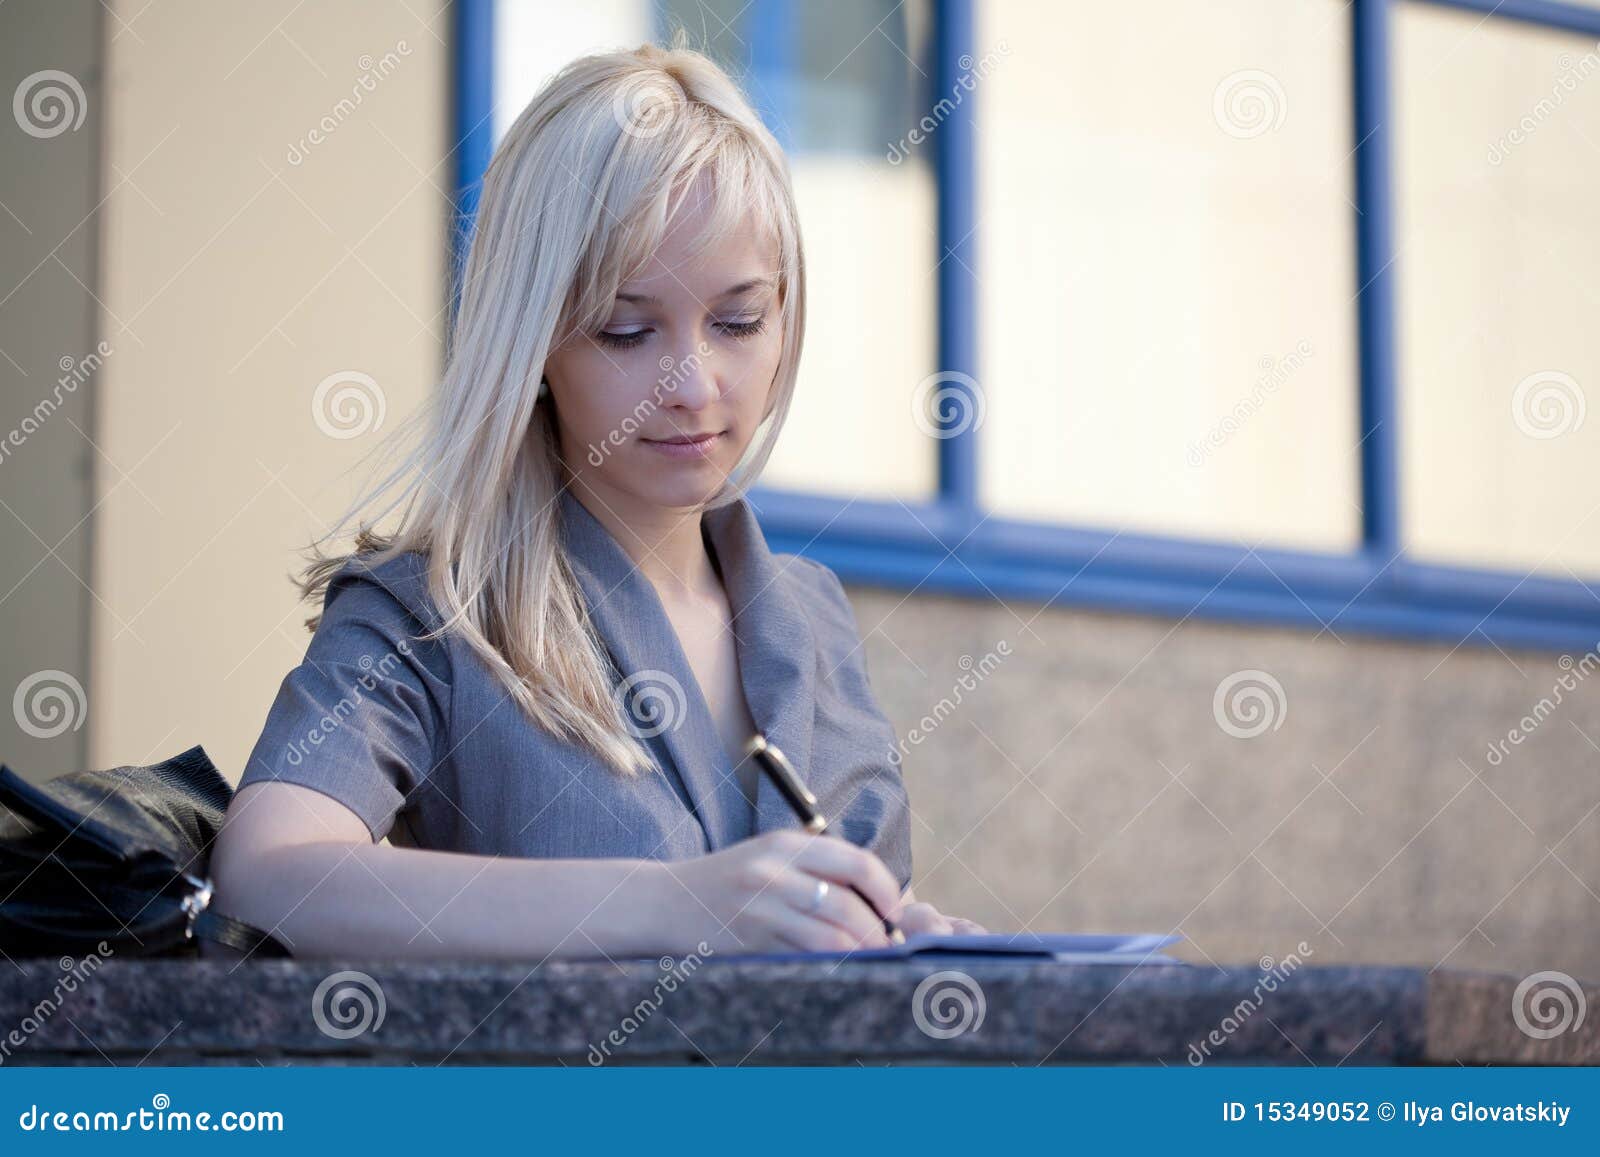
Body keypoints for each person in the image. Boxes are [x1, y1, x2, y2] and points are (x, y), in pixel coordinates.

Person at [210, 39, 983, 961]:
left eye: (740, 321)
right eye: (626, 331)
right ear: (531, 343)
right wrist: (674, 907)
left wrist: (891, 939)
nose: (694, 385)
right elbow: (266, 871)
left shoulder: (810, 616)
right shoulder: (434, 611)